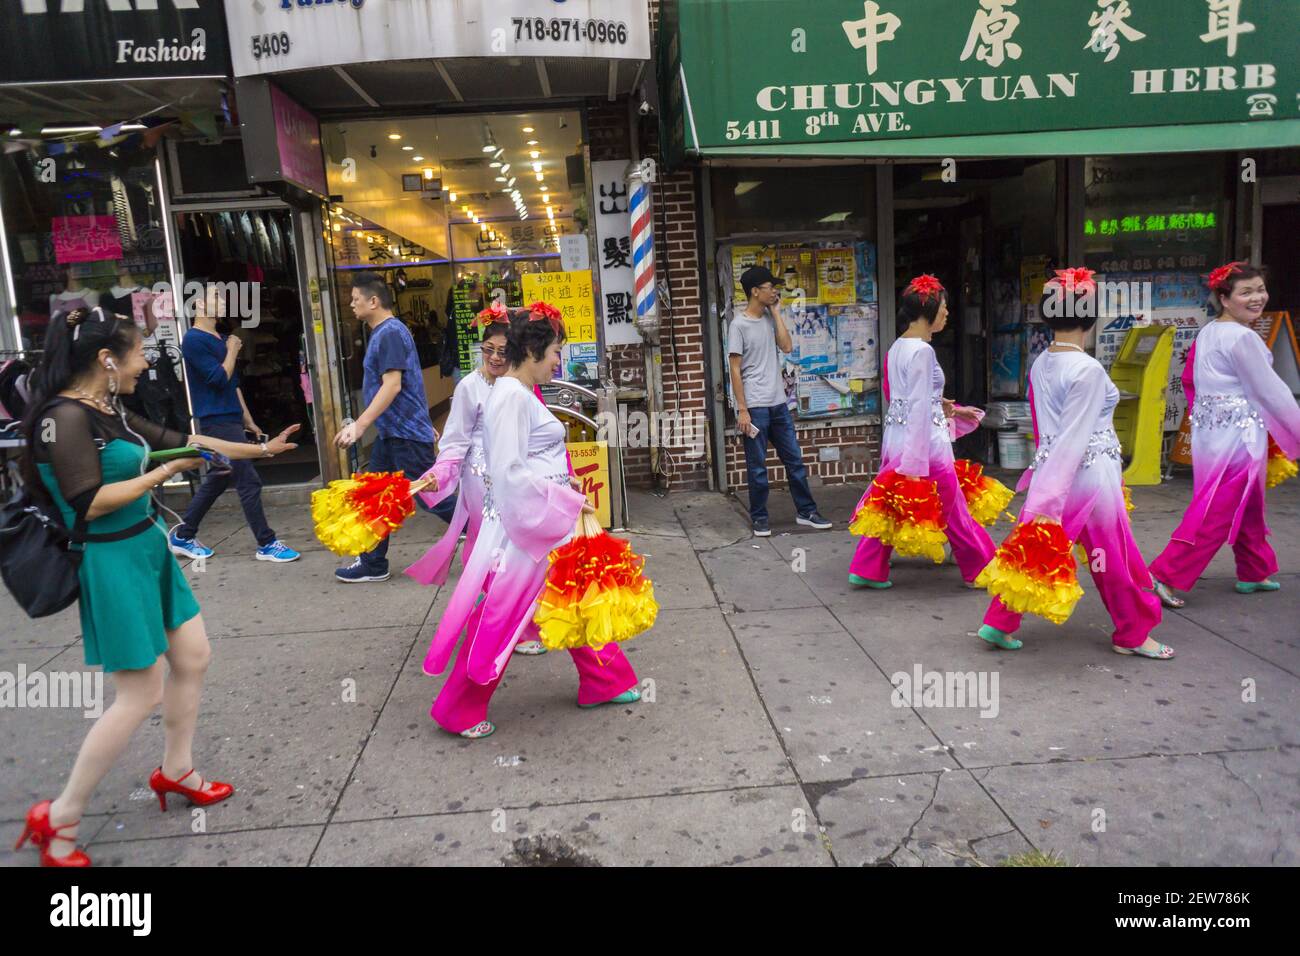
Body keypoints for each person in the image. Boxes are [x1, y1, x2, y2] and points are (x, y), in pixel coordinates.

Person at [14, 307, 299, 867]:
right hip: (111, 561)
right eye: (140, 352)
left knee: (192, 657)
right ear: (106, 359)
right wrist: (158, 476)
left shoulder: (105, 408)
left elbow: (189, 439)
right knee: (139, 692)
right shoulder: (64, 418)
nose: (146, 363)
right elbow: (88, 502)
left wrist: (262, 450)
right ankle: (61, 817)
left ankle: (176, 771)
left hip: (148, 550)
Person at [422, 305, 640, 739]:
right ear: (535, 350)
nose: (559, 361)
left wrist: (566, 502)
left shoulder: (517, 393)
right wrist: (566, 503)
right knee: (499, 620)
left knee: (571, 600)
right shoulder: (510, 397)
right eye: (556, 352)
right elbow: (508, 474)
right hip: (526, 531)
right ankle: (458, 709)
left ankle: (604, 680)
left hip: (543, 521)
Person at [975, 269, 1172, 659]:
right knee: (1113, 557)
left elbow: (1049, 430)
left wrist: (1044, 491)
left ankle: (999, 621)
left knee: (1036, 547)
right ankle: (1132, 633)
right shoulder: (1087, 369)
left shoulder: (1042, 363)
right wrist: (1049, 496)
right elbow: (1074, 438)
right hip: (1087, 477)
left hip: (1056, 473)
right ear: (1091, 315)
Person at [1148, 263, 1300, 607]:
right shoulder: (1243, 338)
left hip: (1212, 434)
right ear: (1224, 298)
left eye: (1260, 289)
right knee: (1216, 511)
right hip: (1237, 439)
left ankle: (1254, 570)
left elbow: (1191, 383)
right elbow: (1272, 393)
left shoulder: (1210, 332)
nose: (1258, 297)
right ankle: (1163, 576)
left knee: (1247, 503)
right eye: (1246, 292)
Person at [848, 275, 994, 589]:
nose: (947, 314)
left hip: (900, 437)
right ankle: (980, 566)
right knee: (952, 506)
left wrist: (946, 407)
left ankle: (867, 566)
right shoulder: (923, 352)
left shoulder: (898, 346)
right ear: (928, 312)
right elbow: (916, 405)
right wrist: (915, 464)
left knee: (891, 501)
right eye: (943, 308)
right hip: (925, 443)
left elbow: (900, 395)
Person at [333, 271, 456, 582]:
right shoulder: (387, 332)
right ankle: (373, 564)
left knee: (431, 495)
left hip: (403, 434)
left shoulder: (388, 333)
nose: (351, 304)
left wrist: (359, 426)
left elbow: (393, 385)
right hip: (394, 434)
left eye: (355, 299)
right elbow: (410, 385)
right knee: (375, 495)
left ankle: (488, 535)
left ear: (373, 301)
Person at [168, 282, 300, 563]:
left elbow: (233, 384)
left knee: (218, 478)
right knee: (248, 481)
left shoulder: (221, 338)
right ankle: (266, 543)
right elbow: (218, 378)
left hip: (230, 418)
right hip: (215, 423)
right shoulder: (194, 340)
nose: (224, 302)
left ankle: (183, 534)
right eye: (216, 297)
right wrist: (232, 350)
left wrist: (248, 419)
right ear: (200, 304)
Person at [728, 266, 832, 537]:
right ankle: (760, 517)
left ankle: (807, 511)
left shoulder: (769, 319)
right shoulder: (738, 325)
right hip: (755, 406)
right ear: (754, 291)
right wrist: (742, 409)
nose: (775, 290)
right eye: (769, 287)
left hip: (778, 404)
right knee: (758, 467)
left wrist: (775, 312)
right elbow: (734, 369)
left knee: (794, 461)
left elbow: (787, 347)